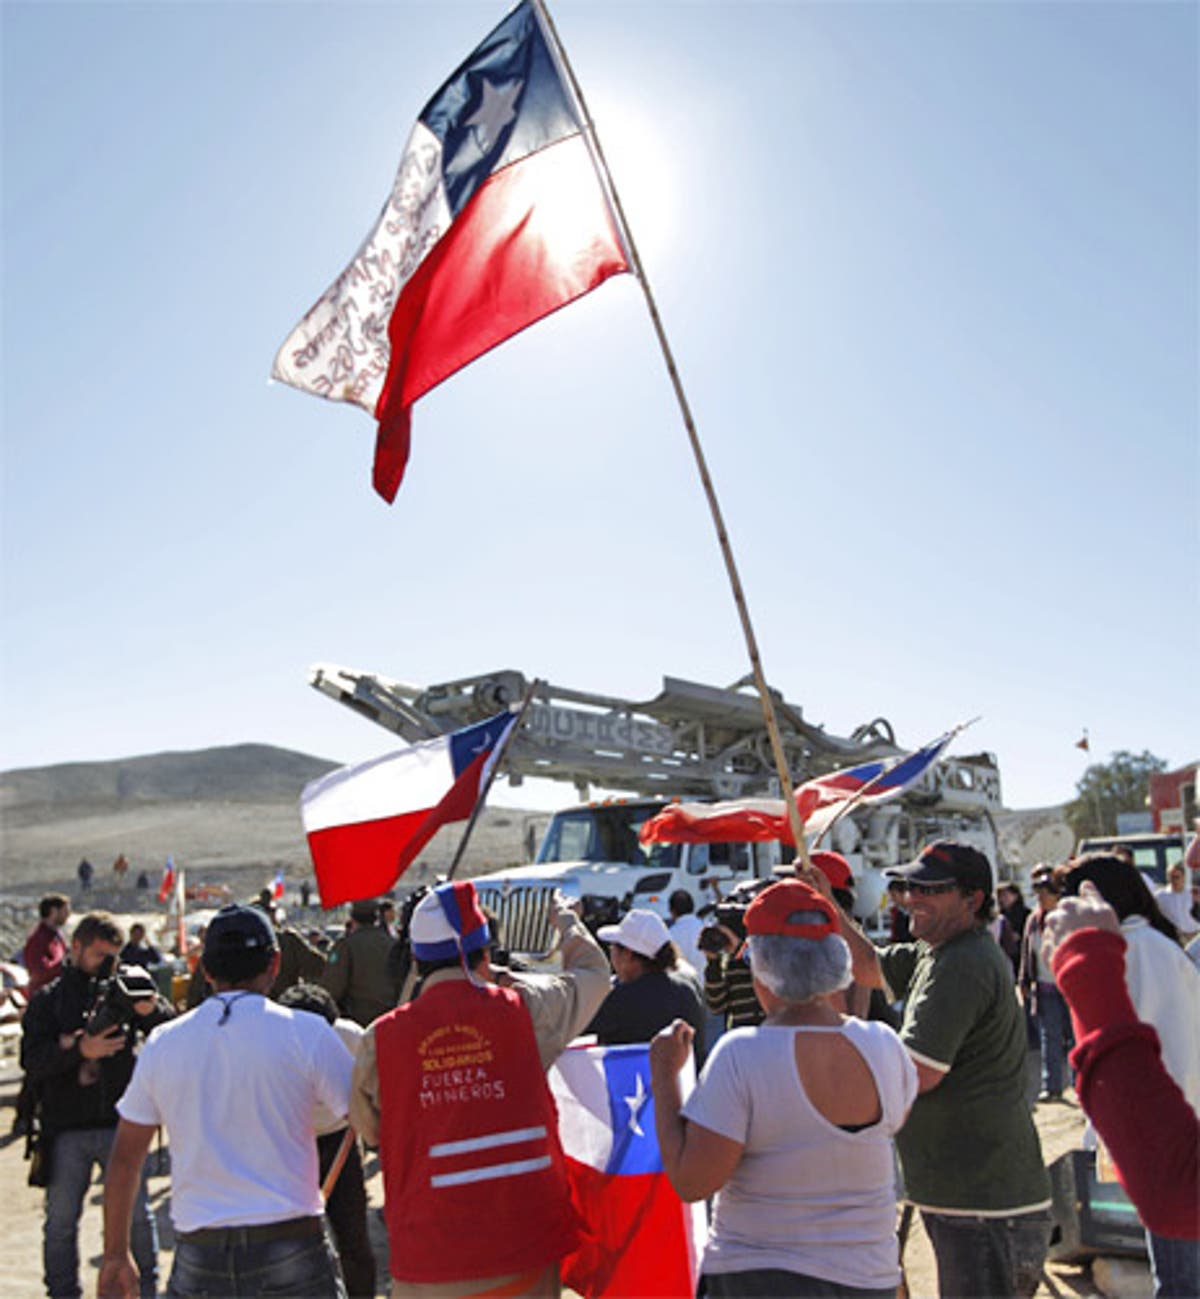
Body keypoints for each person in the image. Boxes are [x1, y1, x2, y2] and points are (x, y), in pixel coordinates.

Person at [651, 879, 918, 1297]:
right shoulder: (884, 1045)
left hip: (761, 1277)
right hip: (869, 1276)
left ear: (761, 967)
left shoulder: (743, 1054)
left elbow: (692, 1181)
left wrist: (665, 1077)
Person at [821, 841, 1051, 1299]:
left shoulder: (962, 963)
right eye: (909, 887)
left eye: (930, 889)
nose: (912, 898)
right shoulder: (940, 953)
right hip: (974, 1200)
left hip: (984, 1204)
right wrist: (825, 902)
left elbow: (916, 1072)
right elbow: (865, 966)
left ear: (973, 899)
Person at [349, 882, 600, 1297]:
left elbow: (372, 1131)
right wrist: (566, 920)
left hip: (430, 1259)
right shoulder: (528, 1009)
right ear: (485, 954)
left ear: (416, 959)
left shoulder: (382, 1038)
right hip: (526, 1250)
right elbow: (593, 975)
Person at [99, 904, 353, 1299]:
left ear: (205, 969)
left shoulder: (164, 1043)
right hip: (290, 1240)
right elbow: (371, 1121)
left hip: (201, 1251)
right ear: (274, 963)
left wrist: (115, 1253)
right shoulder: (307, 1033)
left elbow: (125, 1159)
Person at [1063, 853, 1200, 1297]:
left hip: (1169, 1140)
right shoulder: (1147, 947)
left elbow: (1148, 1055)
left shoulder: (1136, 952)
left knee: (1179, 1280)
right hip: (1170, 1135)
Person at [21, 912, 171, 1299]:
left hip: (122, 1125)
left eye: (112, 957)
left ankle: (146, 1291)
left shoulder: (126, 991)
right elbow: (32, 1060)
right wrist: (79, 1051)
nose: (106, 965)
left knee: (137, 1218)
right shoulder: (49, 1001)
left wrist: (150, 1010)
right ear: (76, 948)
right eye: (99, 955)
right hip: (65, 1128)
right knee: (60, 1222)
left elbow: (171, 1034)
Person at [279, 983, 375, 1299]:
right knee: (293, 1243)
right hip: (291, 1147)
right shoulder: (273, 1043)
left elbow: (373, 1085)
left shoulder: (351, 1036)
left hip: (340, 1141)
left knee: (353, 1236)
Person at [588, 909, 706, 1060]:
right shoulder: (688, 985)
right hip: (690, 1074)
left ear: (628, 954)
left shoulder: (623, 999)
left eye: (613, 946)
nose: (611, 952)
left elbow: (573, 1024)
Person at [1019, 864, 1073, 1101]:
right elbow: (1026, 951)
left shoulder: (1068, 918)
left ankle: (1079, 1084)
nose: (1041, 898)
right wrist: (1024, 980)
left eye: (1045, 893)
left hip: (1069, 986)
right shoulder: (1033, 920)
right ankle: (1051, 1086)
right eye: (1038, 894)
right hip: (1044, 986)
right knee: (1049, 1037)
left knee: (1074, 1037)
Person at [321, 898, 399, 1025]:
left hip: (356, 1019)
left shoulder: (346, 945)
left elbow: (333, 986)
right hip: (389, 1018)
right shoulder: (392, 944)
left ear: (353, 918)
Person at [24, 894, 71, 994]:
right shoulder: (38, 939)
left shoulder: (57, 936)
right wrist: (67, 963)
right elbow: (38, 973)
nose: (68, 915)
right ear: (54, 911)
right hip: (45, 997)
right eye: (65, 911)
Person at [1156, 863, 1199, 941]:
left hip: (1195, 934)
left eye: (1177, 877)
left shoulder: (1193, 893)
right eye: (1171, 877)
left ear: (1183, 877)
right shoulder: (1160, 896)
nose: (1174, 880)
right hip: (1175, 937)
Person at [667, 889, 705, 975]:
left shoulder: (670, 934)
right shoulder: (704, 927)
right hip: (704, 980)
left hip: (682, 981)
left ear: (672, 911)